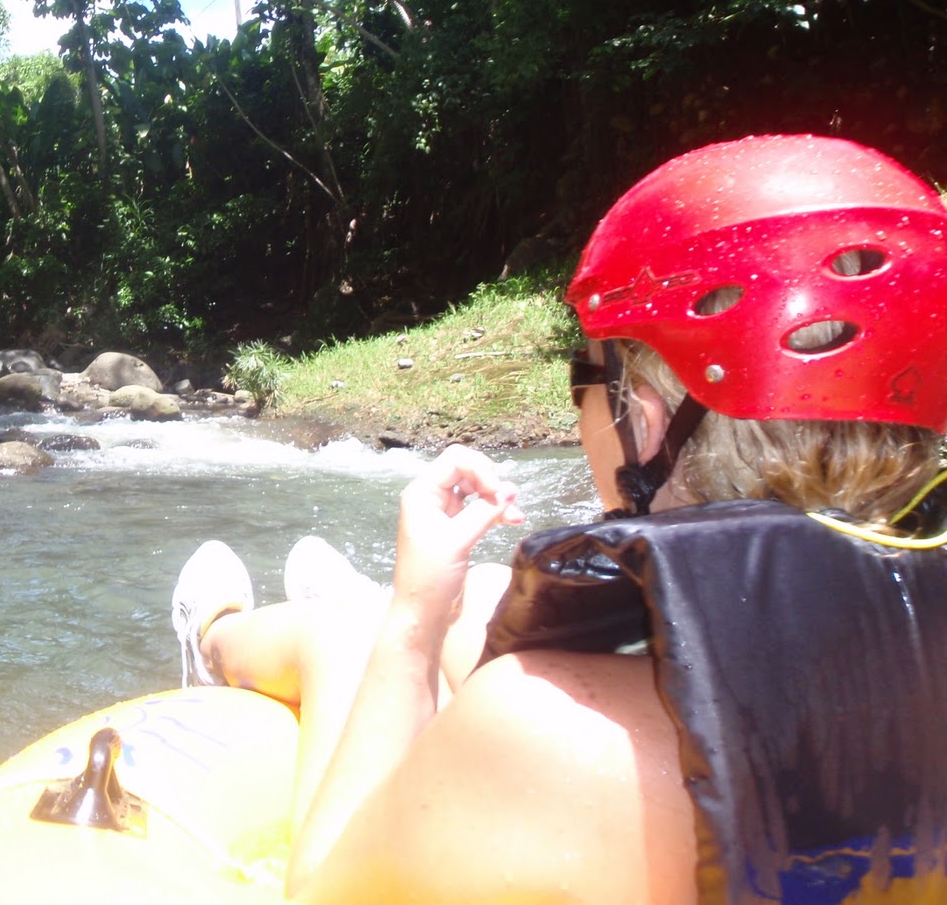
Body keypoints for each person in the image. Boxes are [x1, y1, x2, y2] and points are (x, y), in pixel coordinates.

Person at [171, 133, 947, 904]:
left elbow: (320, 896)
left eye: (583, 375)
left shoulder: (542, 734)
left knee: (346, 632)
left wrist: (411, 622)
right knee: (477, 592)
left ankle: (214, 639)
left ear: (642, 422)